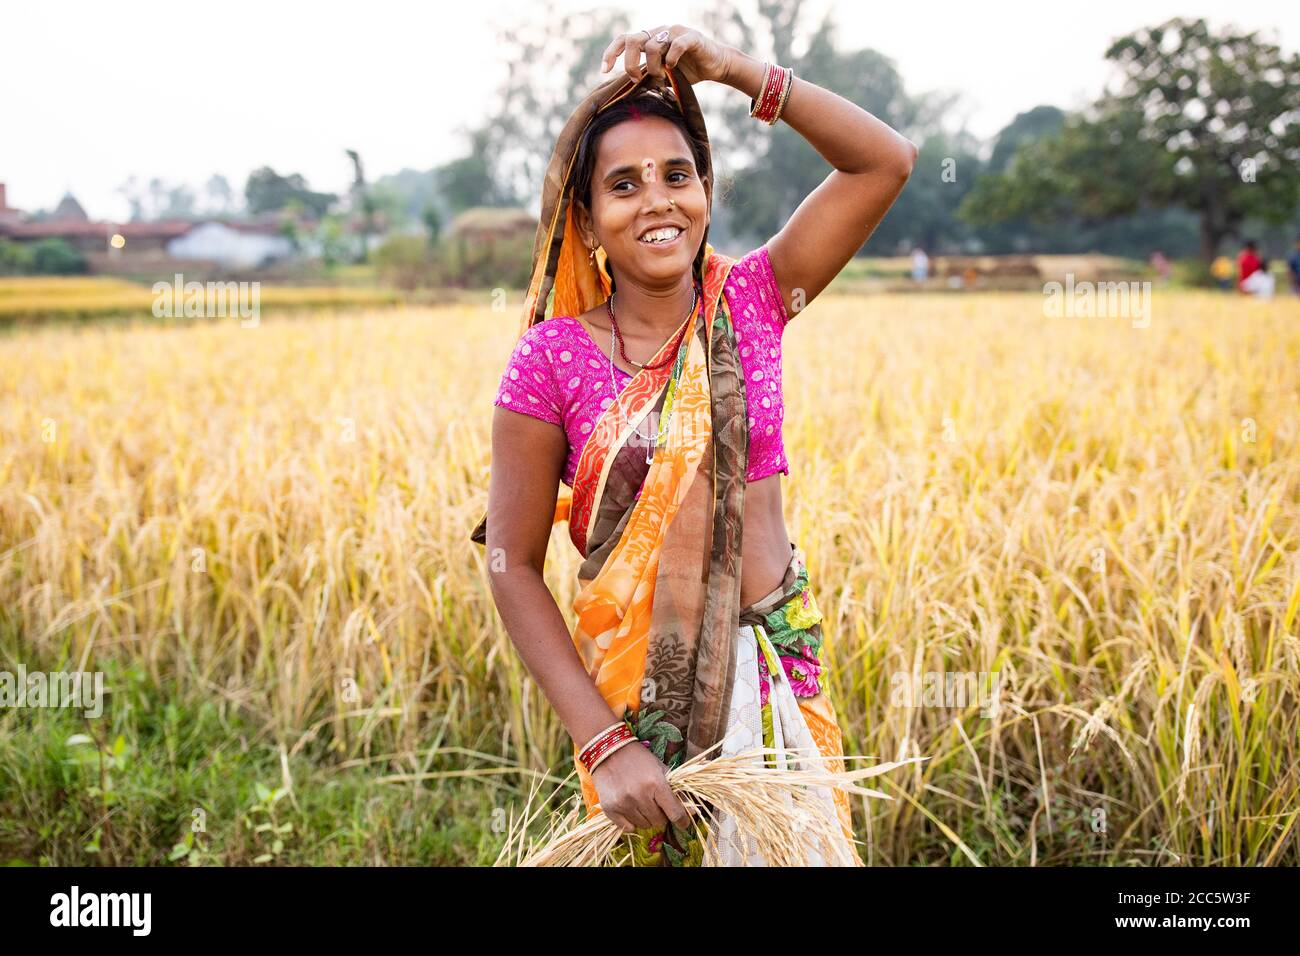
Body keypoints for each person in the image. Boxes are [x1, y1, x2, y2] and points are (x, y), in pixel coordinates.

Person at [473, 24, 915, 866]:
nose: (658, 202)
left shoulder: (751, 302)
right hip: (647, 705)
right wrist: (604, 744)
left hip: (782, 667)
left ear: (707, 190)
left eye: (678, 175)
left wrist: (737, 71)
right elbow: (511, 564)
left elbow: (884, 162)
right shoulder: (551, 359)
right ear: (589, 219)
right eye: (624, 185)